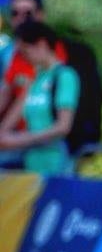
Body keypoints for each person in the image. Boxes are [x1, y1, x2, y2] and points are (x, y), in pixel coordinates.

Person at [0, 21, 77, 175]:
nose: (24, 58)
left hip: (55, 163)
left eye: (25, 52)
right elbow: (12, 119)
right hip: (32, 164)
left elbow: (63, 126)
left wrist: (20, 140)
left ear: (41, 45)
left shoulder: (64, 76)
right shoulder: (35, 79)